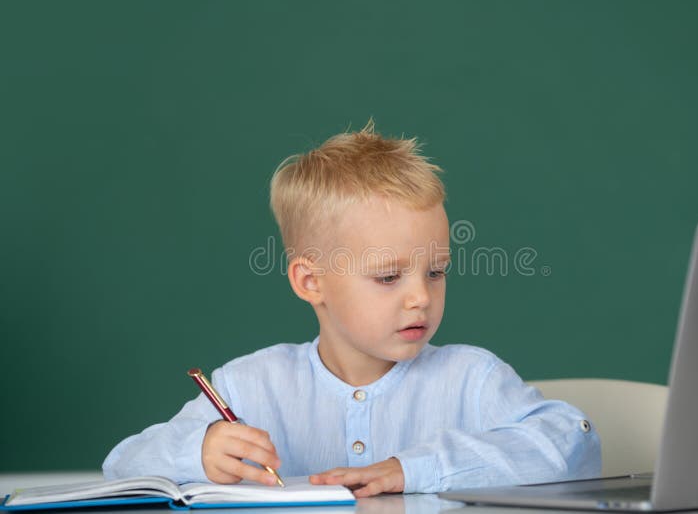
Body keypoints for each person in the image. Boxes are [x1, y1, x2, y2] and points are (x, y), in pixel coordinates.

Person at [103, 121, 600, 497]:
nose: (421, 297)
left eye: (436, 271)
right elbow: (122, 464)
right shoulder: (250, 386)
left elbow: (574, 444)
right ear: (311, 281)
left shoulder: (470, 379)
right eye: (388, 277)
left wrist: (415, 469)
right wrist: (199, 452)